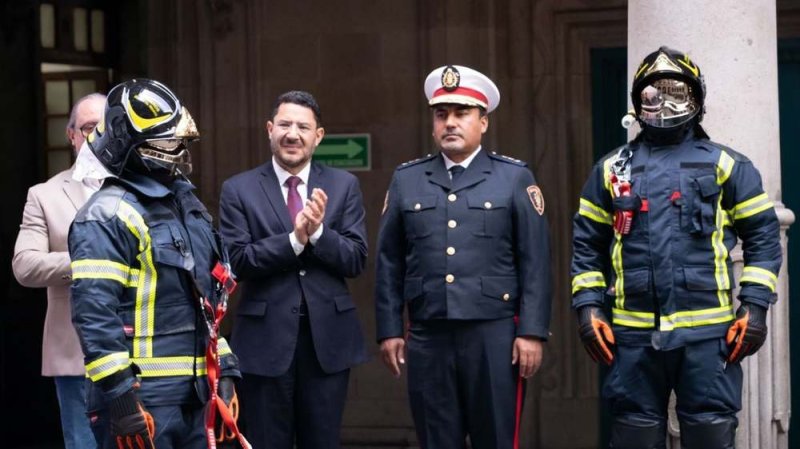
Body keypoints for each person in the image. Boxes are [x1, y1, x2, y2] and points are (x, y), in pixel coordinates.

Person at [571, 46, 782, 449]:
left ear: (697, 99)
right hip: (632, 338)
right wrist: (589, 308)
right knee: (633, 433)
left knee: (711, 433)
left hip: (707, 335)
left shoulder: (727, 165)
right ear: (637, 102)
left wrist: (754, 308)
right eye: (653, 94)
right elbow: (586, 246)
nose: (664, 103)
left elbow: (764, 239)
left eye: (676, 92)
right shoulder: (611, 169)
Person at [374, 64, 553, 448]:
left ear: (483, 122)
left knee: (496, 438)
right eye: (442, 114)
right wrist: (389, 329)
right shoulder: (407, 179)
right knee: (436, 438)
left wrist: (532, 332)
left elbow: (535, 261)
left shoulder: (514, 178)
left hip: (494, 335)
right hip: (428, 334)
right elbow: (389, 261)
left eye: (461, 113)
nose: (450, 123)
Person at [68, 79, 248, 449]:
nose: (179, 151)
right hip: (142, 402)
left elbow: (208, 298)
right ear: (129, 146)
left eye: (180, 142)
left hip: (198, 397)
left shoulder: (187, 206)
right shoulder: (105, 216)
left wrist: (225, 369)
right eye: (167, 144)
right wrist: (120, 398)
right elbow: (95, 317)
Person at [218, 90, 368, 449]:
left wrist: (317, 232)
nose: (292, 134)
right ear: (270, 130)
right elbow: (236, 261)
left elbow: (355, 258)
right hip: (263, 342)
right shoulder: (239, 189)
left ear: (318, 136)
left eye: (303, 127)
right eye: (284, 124)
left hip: (327, 343)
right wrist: (294, 241)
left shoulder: (343, 185)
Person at [12, 92, 106, 449]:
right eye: (87, 128)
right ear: (71, 135)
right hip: (76, 353)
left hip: (141, 352)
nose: (96, 137)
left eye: (106, 128)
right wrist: (87, 263)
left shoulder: (142, 191)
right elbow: (25, 265)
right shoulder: (44, 195)